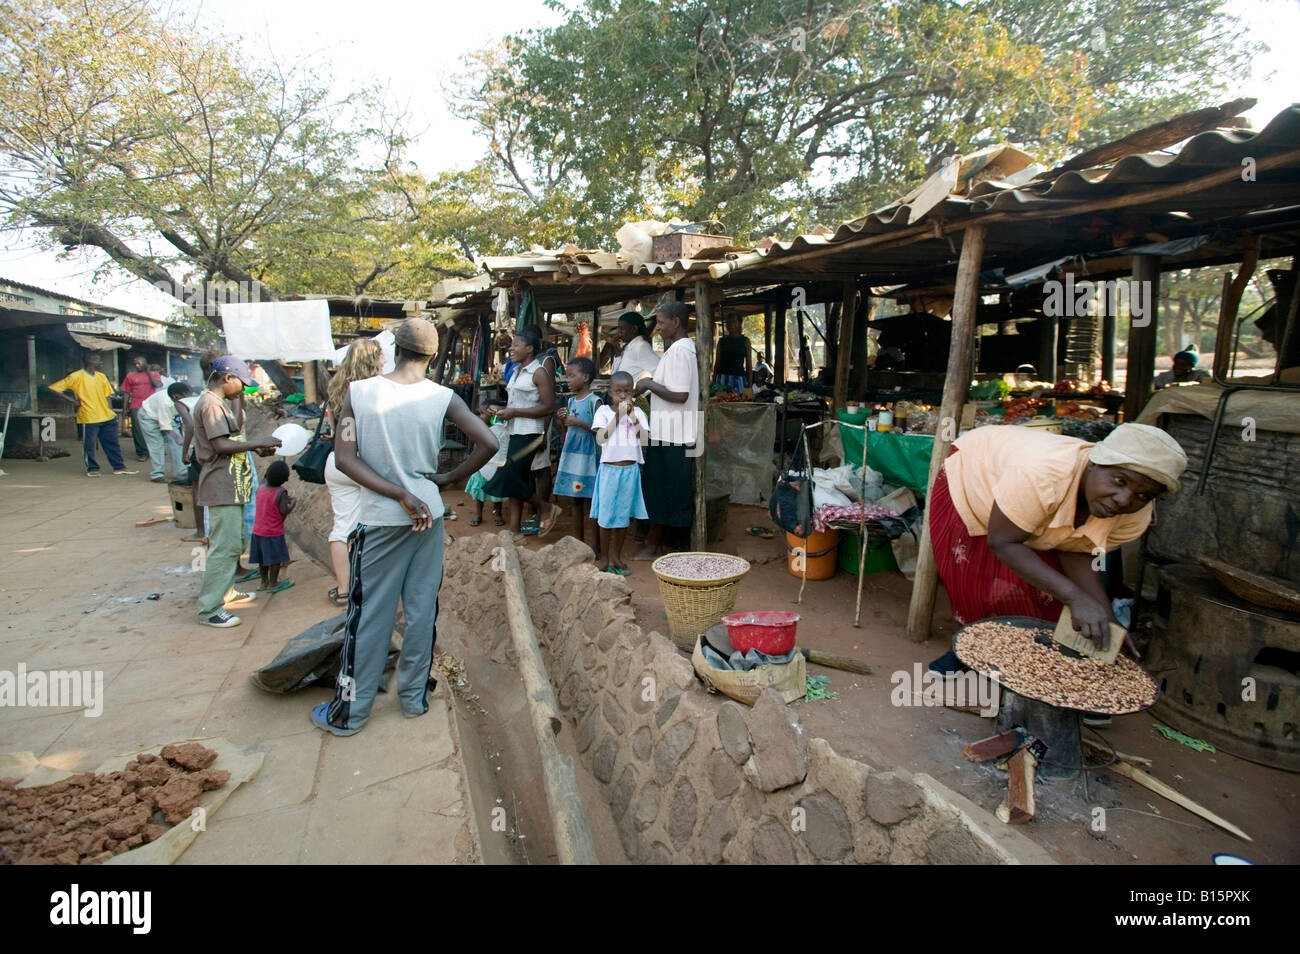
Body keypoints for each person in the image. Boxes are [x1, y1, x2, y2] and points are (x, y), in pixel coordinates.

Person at [314, 317, 496, 737]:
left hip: (380, 518)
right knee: (421, 609)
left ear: (394, 349)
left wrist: (397, 493)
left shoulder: (359, 394)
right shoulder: (442, 396)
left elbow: (345, 459)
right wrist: (447, 480)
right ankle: (413, 699)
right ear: (433, 356)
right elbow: (488, 442)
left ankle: (351, 712)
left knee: (369, 612)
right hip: (428, 515)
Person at [927, 422, 1187, 666]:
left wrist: (1108, 619)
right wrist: (1075, 596)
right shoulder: (1044, 473)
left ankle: (1023, 659)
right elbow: (1003, 542)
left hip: (1028, 497)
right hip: (977, 473)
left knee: (1047, 587)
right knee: (981, 578)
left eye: (1142, 495)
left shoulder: (1134, 515)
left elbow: (1078, 549)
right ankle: (966, 648)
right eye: (1119, 480)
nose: (1123, 500)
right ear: (1094, 462)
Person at [192, 356, 281, 628]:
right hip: (221, 483)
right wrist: (257, 444)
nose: (243, 388)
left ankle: (226, 591)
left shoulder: (219, 402)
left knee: (235, 540)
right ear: (227, 378)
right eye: (241, 383)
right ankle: (209, 608)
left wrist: (255, 447)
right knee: (224, 545)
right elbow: (220, 445)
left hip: (231, 483)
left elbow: (231, 441)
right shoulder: (210, 404)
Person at [632, 300, 700, 559]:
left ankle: (654, 545)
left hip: (674, 434)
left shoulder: (681, 351)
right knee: (662, 489)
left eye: (661, 322)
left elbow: (680, 394)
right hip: (668, 432)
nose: (657, 328)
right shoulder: (677, 350)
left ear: (676, 322)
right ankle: (662, 542)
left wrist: (648, 383)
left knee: (661, 490)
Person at [323, 338, 385, 606]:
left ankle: (343, 590)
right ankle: (373, 587)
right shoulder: (378, 391)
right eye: (381, 356)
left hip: (337, 463)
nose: (385, 361)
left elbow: (333, 428)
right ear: (373, 360)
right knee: (375, 525)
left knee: (342, 527)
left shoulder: (336, 388)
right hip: (365, 464)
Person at [484, 327, 560, 539]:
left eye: (515, 345)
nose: (510, 349)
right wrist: (500, 410)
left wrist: (514, 411)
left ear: (529, 349)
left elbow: (548, 407)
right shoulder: (517, 371)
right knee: (516, 478)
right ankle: (514, 529)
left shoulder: (539, 373)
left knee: (508, 475)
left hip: (530, 433)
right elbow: (514, 404)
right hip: (514, 431)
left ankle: (545, 507)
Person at [591, 372, 649, 575]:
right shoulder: (604, 412)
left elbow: (644, 439)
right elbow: (601, 437)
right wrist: (619, 416)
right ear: (610, 392)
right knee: (606, 515)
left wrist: (631, 416)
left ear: (632, 392)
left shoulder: (639, 413)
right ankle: (605, 557)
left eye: (627, 392)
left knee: (623, 516)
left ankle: (617, 556)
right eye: (618, 392)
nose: (622, 396)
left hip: (630, 471)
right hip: (609, 470)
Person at [49, 353, 138, 477]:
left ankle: (119, 467)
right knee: (89, 445)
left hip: (107, 416)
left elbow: (108, 396)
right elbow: (53, 388)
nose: (100, 362)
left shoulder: (101, 376)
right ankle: (92, 468)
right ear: (89, 361)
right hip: (89, 416)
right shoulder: (76, 376)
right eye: (98, 360)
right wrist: (73, 401)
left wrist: (111, 413)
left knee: (113, 444)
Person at [554, 356, 601, 551]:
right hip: (573, 457)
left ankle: (596, 545)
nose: (568, 380)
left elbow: (601, 431)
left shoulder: (595, 401)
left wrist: (579, 422)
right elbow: (564, 428)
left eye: (572, 376)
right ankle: (578, 544)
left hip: (589, 458)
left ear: (586, 377)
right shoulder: (571, 401)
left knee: (592, 502)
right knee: (575, 499)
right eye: (567, 376)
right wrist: (561, 419)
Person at [251, 459, 295, 593]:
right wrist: (292, 503)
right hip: (273, 532)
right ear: (283, 479)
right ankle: (273, 583)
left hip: (258, 531)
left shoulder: (262, 487)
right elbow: (284, 510)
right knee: (275, 560)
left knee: (262, 559)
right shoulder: (281, 492)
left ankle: (263, 582)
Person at [138, 381, 190, 482]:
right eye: (183, 396)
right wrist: (178, 438)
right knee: (156, 445)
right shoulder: (164, 402)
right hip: (148, 416)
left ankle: (181, 473)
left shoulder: (178, 397)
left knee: (177, 444)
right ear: (175, 396)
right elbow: (166, 427)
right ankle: (157, 475)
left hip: (167, 417)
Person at [466, 411, 507, 527]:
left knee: (498, 491)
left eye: (483, 414)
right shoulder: (482, 430)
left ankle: (498, 512)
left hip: (497, 464)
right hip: (482, 465)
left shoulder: (501, 430)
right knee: (480, 488)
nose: (480, 417)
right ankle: (478, 513)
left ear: (493, 416)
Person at [120, 355, 158, 462]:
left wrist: (149, 372)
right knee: (137, 431)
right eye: (135, 364)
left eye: (140, 363)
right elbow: (126, 393)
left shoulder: (154, 374)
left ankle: (154, 451)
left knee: (153, 429)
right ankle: (142, 453)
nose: (137, 365)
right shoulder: (130, 376)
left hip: (151, 407)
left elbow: (158, 384)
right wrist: (125, 409)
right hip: (136, 406)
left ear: (145, 364)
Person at [611, 311, 660, 382]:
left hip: (633, 392)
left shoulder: (641, 346)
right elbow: (615, 375)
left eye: (622, 329)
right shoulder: (629, 346)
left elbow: (659, 372)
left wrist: (646, 386)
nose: (619, 333)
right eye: (619, 328)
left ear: (634, 329)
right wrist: (618, 354)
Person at [713, 312, 751, 392]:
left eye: (734, 321)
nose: (731, 324)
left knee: (738, 403)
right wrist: (713, 383)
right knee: (721, 403)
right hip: (722, 380)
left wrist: (749, 386)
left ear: (740, 323)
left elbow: (749, 366)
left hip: (738, 380)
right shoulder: (721, 341)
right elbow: (716, 365)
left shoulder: (745, 341)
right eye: (728, 322)